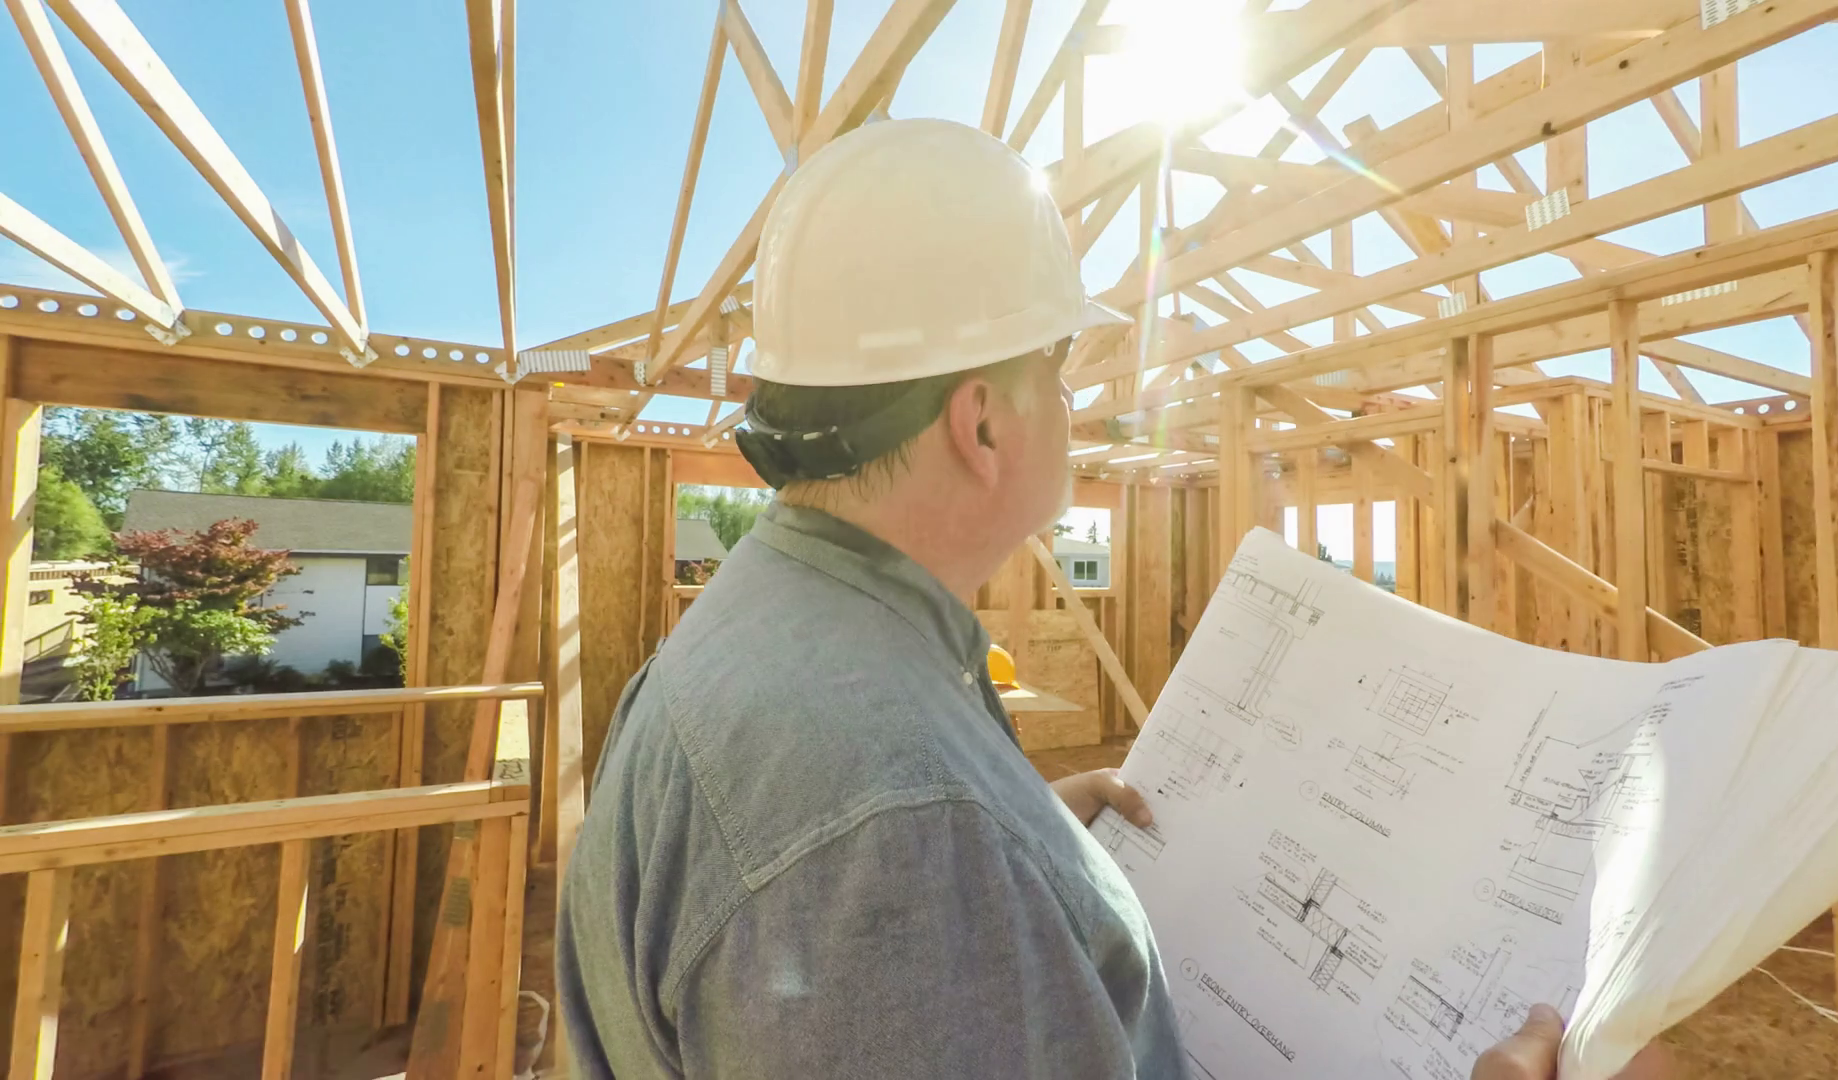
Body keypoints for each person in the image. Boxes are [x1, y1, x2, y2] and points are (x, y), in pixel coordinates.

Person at [554, 117, 1671, 1080]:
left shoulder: (761, 643)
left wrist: (1025, 849)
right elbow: (880, 864)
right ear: (982, 422)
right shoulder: (897, 825)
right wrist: (965, 852)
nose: (1077, 401)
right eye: (1061, 367)